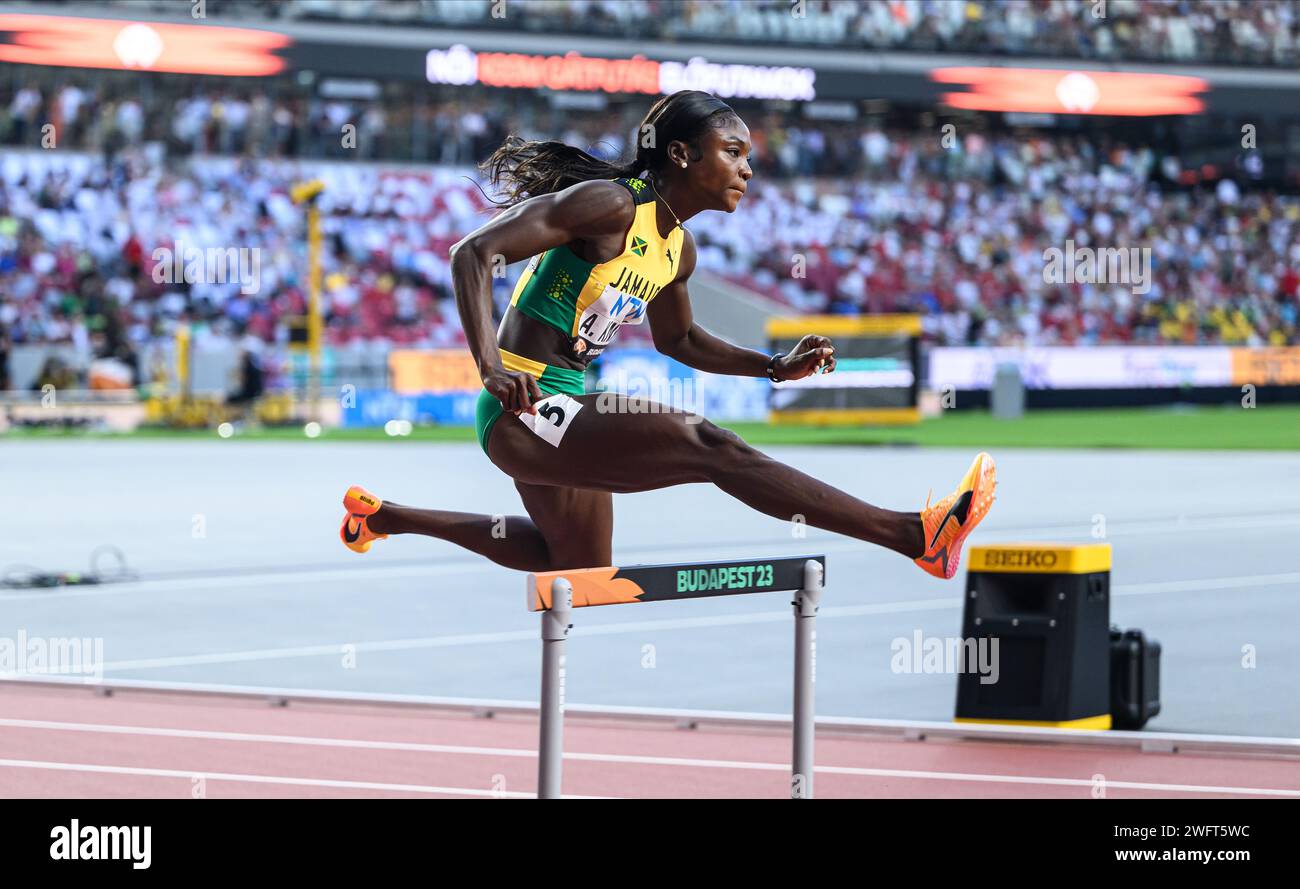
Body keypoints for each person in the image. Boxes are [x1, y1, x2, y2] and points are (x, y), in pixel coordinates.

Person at [341, 90, 995, 580]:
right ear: (681, 154)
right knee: (708, 442)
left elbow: (680, 341)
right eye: (731, 152)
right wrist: (488, 365)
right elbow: (471, 254)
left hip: (561, 403)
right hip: (521, 403)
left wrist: (771, 366)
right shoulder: (612, 205)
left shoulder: (676, 251)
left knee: (578, 566)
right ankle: (914, 534)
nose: (745, 169)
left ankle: (383, 516)